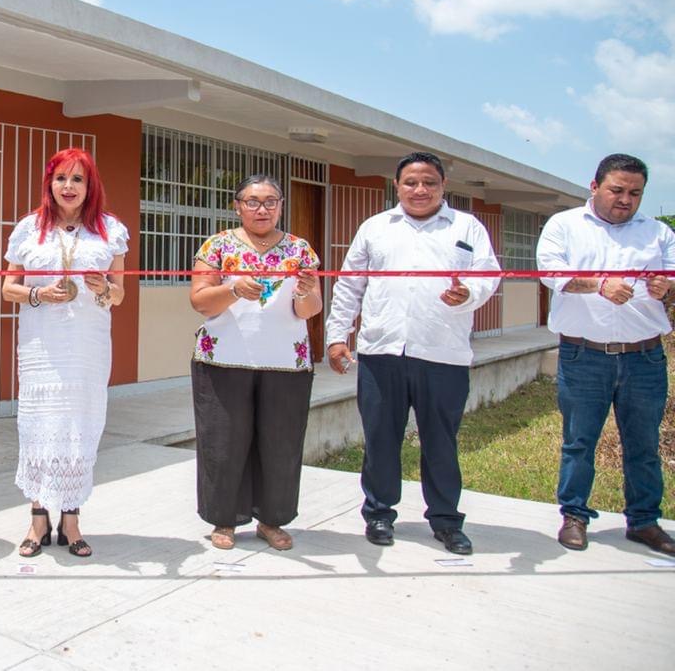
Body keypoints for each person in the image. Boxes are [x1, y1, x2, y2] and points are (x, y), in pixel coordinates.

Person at [326, 151, 498, 555]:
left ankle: (445, 520)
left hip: (443, 354)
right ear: (397, 185)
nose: (420, 190)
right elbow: (350, 286)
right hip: (382, 351)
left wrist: (468, 294)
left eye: (429, 183)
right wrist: (337, 336)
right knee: (381, 438)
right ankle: (380, 513)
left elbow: (488, 275)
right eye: (411, 182)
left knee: (441, 440)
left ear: (443, 186)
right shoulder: (375, 228)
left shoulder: (466, 227)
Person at [536, 153, 675, 555]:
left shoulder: (658, 234)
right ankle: (575, 516)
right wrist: (599, 284)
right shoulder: (564, 226)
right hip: (585, 355)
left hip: (644, 357)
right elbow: (551, 273)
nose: (625, 199)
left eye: (635, 193)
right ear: (594, 186)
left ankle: (645, 522)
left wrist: (665, 288)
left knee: (644, 443)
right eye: (617, 190)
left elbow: (669, 277)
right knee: (579, 441)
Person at [1, 147, 128, 558]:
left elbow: (121, 293)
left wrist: (103, 288)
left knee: (79, 424)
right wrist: (39, 294)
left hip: (87, 347)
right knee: (40, 426)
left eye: (78, 179)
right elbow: (8, 288)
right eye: (61, 179)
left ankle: (71, 520)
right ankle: (38, 520)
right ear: (49, 184)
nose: (68, 187)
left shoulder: (110, 230)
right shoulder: (27, 229)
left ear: (90, 186)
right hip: (42, 345)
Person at [188, 174, 322, 551]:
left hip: (285, 362)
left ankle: (272, 520)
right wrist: (232, 289)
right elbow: (200, 301)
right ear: (237, 206)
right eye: (252, 201)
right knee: (224, 441)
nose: (261, 209)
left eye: (270, 201)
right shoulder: (216, 246)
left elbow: (309, 310)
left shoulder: (299, 250)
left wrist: (308, 292)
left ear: (281, 206)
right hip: (223, 359)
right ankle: (224, 520)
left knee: (280, 443)